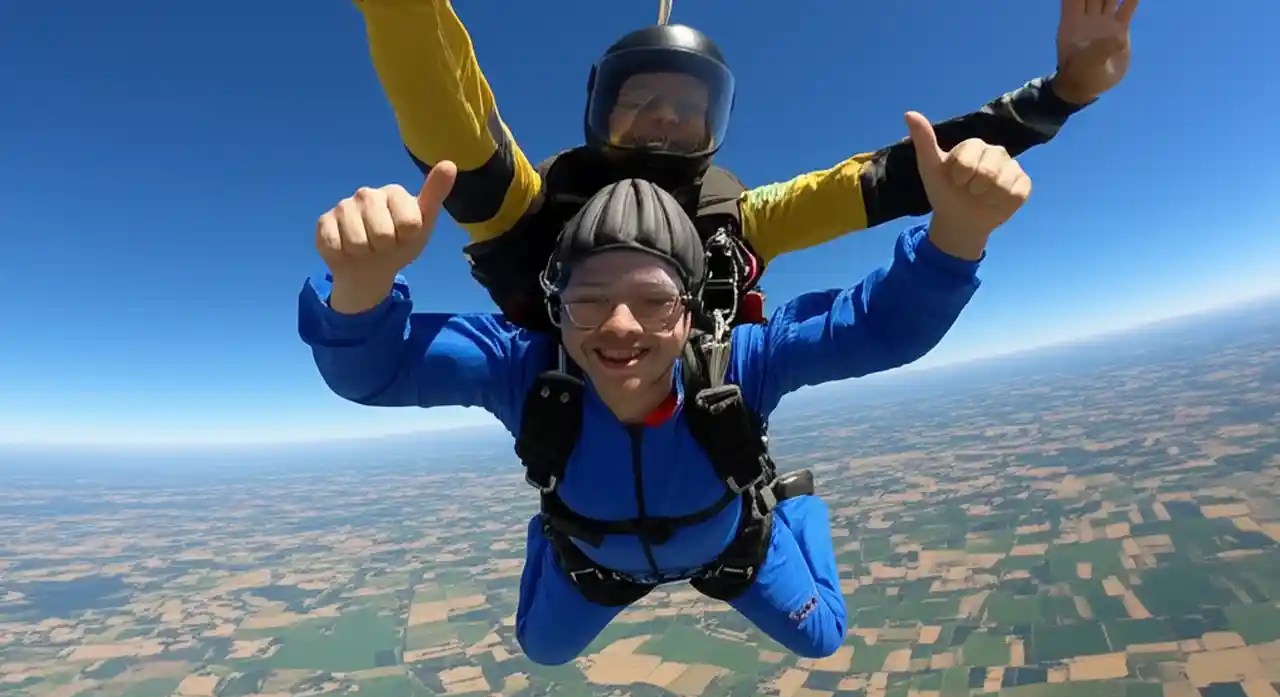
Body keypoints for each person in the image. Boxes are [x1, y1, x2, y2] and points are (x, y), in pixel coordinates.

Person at [297, 112, 1032, 663]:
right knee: (540, 648)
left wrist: (958, 234)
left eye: (653, 299)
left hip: (731, 545)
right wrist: (360, 286)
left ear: (690, 312)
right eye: (589, 301)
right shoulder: (525, 370)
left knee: (824, 637)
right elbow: (378, 371)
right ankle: (548, 539)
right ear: (557, 308)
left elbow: (878, 329)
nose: (620, 327)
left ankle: (797, 508)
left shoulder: (744, 361)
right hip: (593, 557)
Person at [352, 0, 1137, 329]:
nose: (665, 120)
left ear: (714, 127)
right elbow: (454, 128)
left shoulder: (738, 217)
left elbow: (891, 177)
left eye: (687, 109)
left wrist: (1058, 95)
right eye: (643, 101)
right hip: (580, 493)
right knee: (553, 628)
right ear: (600, 108)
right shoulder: (532, 207)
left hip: (710, 467)